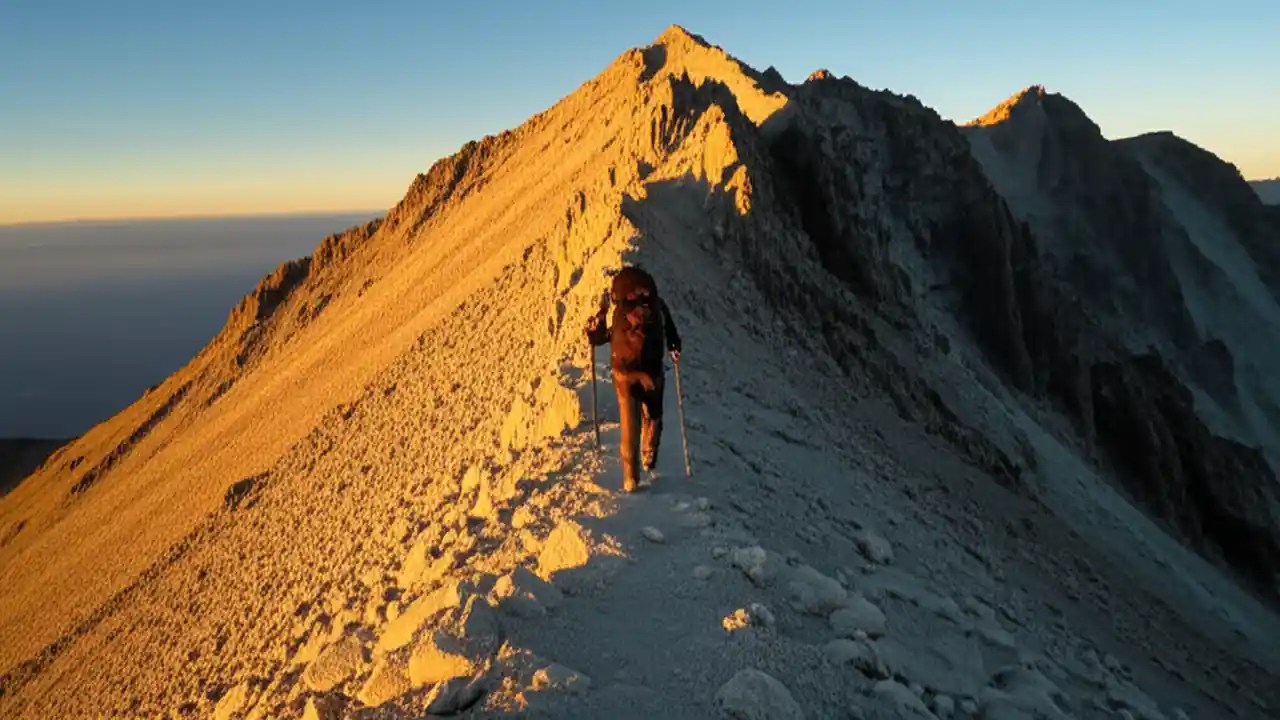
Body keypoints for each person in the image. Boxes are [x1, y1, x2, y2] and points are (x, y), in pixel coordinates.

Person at [585, 266, 682, 492]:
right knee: (654, 416)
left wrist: (597, 321)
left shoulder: (618, 311)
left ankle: (631, 478)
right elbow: (671, 331)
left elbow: (600, 337)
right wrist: (675, 347)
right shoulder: (657, 305)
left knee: (629, 426)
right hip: (652, 372)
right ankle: (649, 452)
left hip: (624, 374)